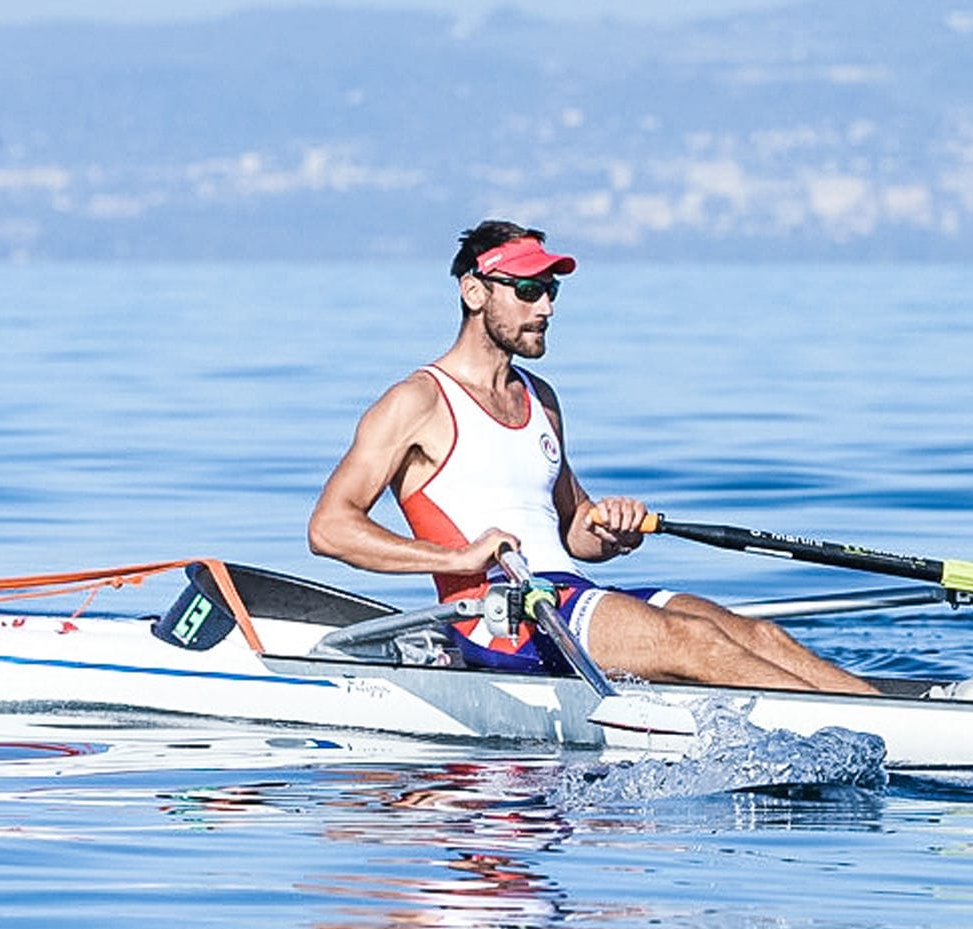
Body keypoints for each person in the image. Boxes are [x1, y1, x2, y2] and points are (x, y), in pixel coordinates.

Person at [308, 220, 878, 695]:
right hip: (501, 617)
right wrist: (459, 557)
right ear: (474, 292)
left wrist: (612, 529)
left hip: (569, 595)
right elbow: (330, 528)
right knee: (695, 643)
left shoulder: (540, 399)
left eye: (551, 290)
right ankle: (863, 728)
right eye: (527, 290)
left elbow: (576, 531)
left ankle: (890, 717)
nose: (546, 307)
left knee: (757, 636)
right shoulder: (417, 401)